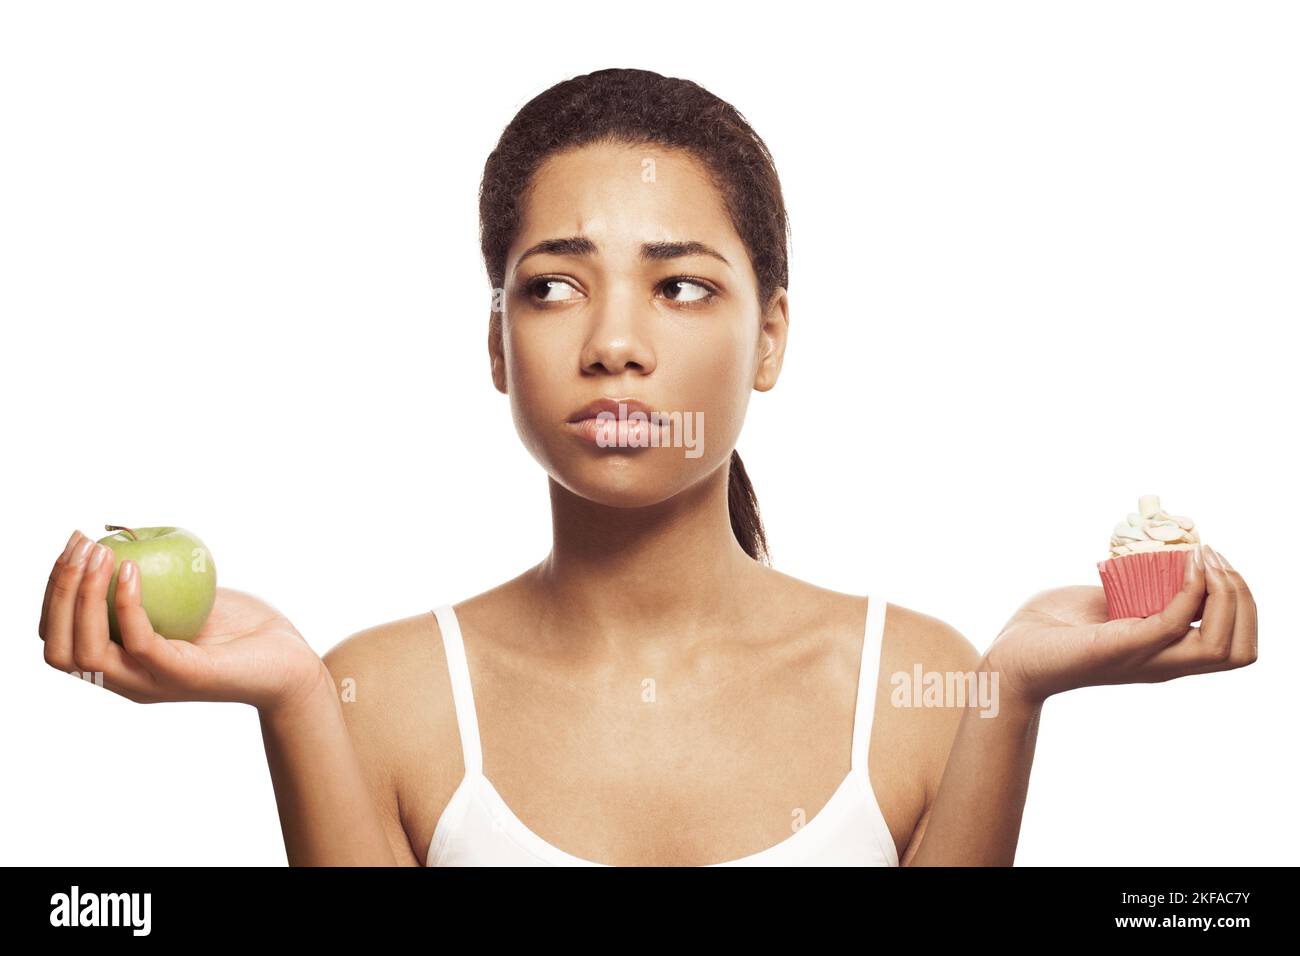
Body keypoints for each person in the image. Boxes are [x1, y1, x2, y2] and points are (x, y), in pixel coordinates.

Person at [38, 68, 1258, 867]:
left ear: (771, 335)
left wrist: (1013, 695)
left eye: (680, 286)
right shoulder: (378, 695)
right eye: (555, 285)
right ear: (497, 346)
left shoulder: (925, 685)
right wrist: (294, 699)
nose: (614, 343)